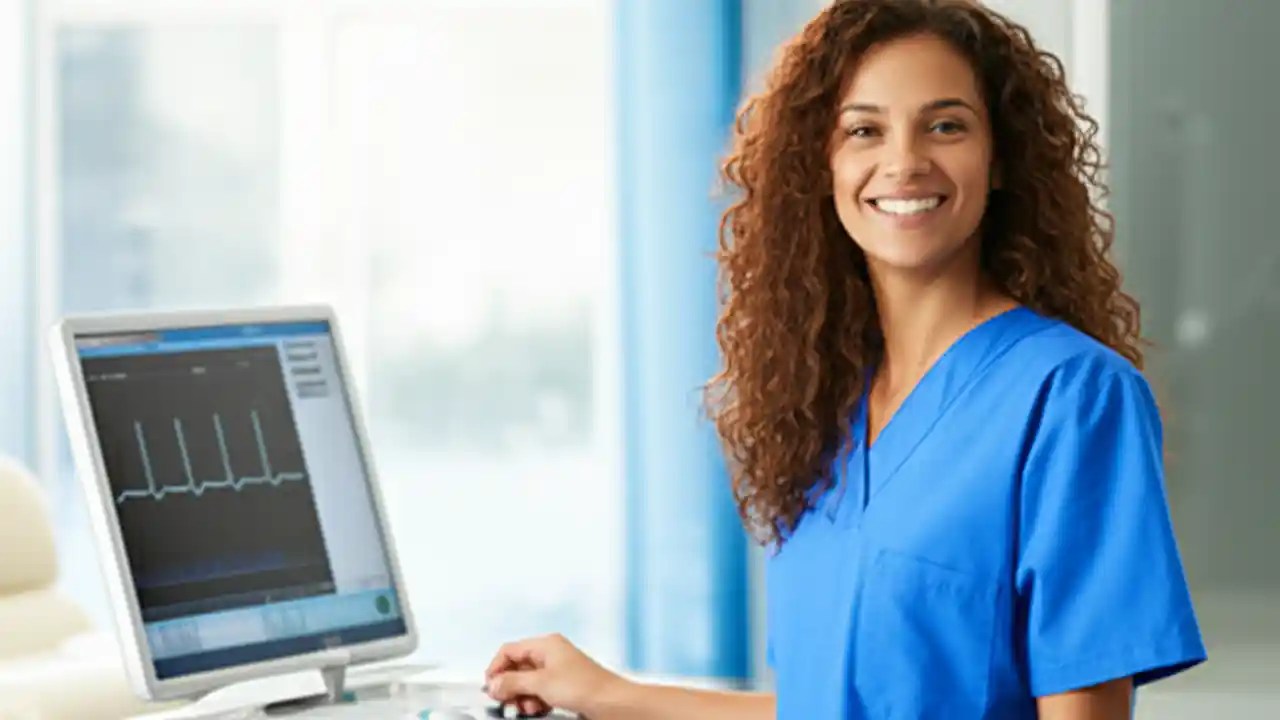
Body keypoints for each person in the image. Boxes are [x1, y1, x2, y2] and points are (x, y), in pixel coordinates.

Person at [484, 0, 1207, 717]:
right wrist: (609, 695)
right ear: (821, 167)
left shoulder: (1072, 397)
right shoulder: (823, 405)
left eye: (946, 126)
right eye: (864, 130)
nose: (904, 162)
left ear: (1001, 162)